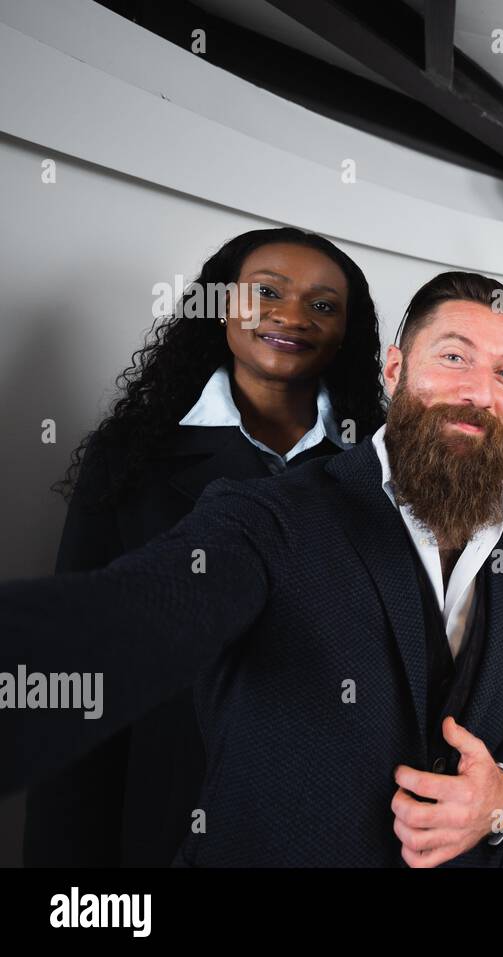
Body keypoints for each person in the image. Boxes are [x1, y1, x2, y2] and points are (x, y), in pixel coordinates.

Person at [0, 271, 503, 867]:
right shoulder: (272, 515)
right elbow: (139, 615)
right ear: (394, 369)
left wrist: (502, 795)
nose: (480, 393)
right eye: (455, 356)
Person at [23, 226, 387, 868]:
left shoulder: (382, 466)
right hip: (176, 807)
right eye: (266, 292)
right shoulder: (133, 456)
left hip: (343, 817)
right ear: (221, 304)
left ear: (346, 332)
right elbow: (84, 671)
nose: (292, 316)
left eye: (324, 305)